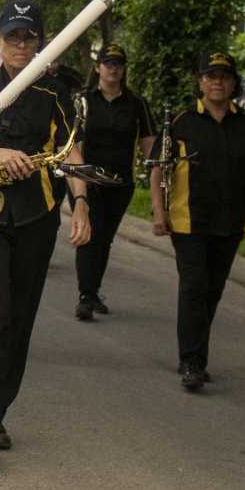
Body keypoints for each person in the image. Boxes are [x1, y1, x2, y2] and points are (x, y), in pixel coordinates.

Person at [0, 0, 89, 469]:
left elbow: (72, 152)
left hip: (37, 213)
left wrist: (80, 202)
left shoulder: (54, 93)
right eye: (12, 37)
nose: (20, 46)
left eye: (28, 37)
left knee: (21, 320)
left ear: (41, 41)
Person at [149, 50, 245, 392]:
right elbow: (159, 168)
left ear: (233, 84)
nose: (217, 82)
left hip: (230, 220)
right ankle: (192, 361)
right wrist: (158, 211)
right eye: (210, 76)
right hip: (188, 220)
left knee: (212, 290)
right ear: (200, 82)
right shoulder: (181, 121)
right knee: (193, 287)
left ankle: (196, 351)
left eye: (224, 77)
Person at [72, 43, 155, 320]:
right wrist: (79, 182)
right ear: (97, 68)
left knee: (104, 239)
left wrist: (157, 182)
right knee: (88, 236)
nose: (113, 68)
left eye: (118, 64)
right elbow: (73, 143)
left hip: (120, 183)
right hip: (87, 180)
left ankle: (93, 291)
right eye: (108, 63)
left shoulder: (137, 104)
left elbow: (149, 147)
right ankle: (85, 295)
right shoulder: (83, 100)